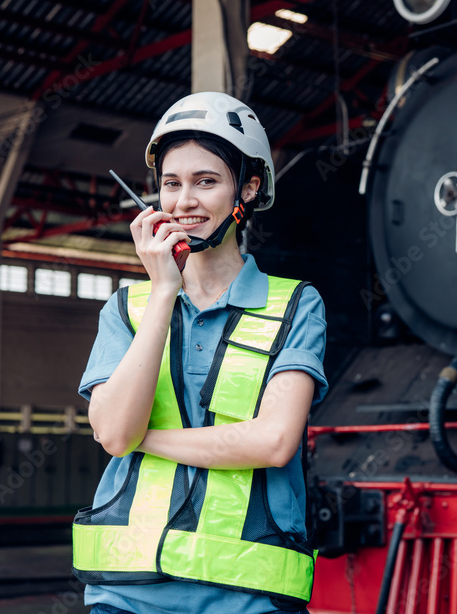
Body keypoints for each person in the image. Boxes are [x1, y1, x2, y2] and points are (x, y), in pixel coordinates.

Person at [72, 92, 327, 614]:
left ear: (248, 188)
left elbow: (274, 442)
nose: (183, 201)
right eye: (171, 183)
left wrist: (148, 440)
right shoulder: (128, 307)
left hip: (248, 594)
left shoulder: (296, 304)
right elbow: (116, 432)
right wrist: (164, 290)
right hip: (126, 593)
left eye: (205, 182)